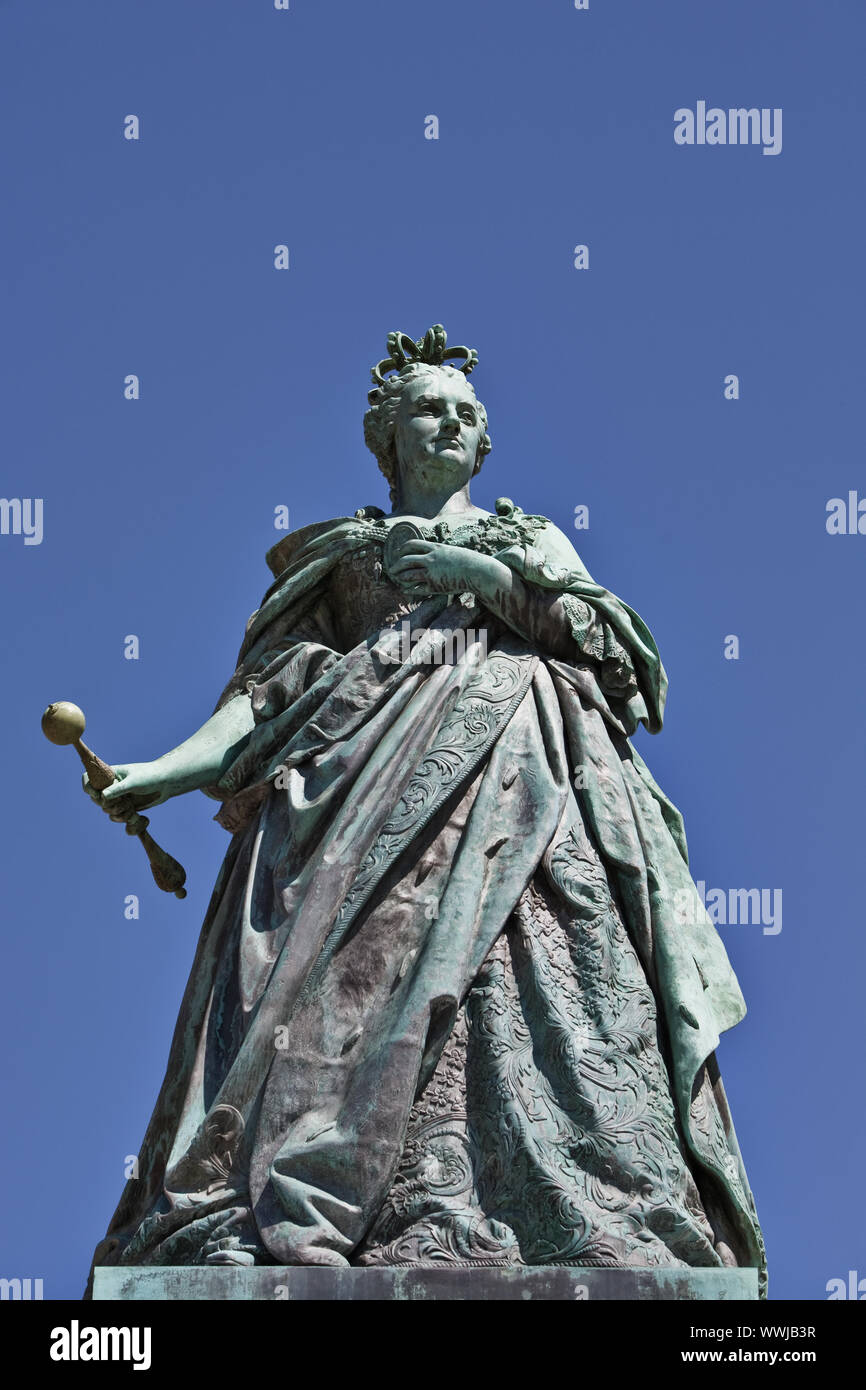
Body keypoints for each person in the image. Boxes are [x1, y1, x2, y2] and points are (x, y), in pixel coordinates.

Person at [86, 326, 765, 1285]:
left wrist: (485, 582)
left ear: (483, 441)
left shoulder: (526, 540)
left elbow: (616, 663)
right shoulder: (341, 558)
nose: (451, 422)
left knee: (529, 989)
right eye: (428, 411)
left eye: (466, 413)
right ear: (388, 440)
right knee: (332, 997)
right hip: (348, 803)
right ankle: (311, 1201)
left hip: (519, 779)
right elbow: (266, 697)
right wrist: (169, 768)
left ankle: (568, 1217)